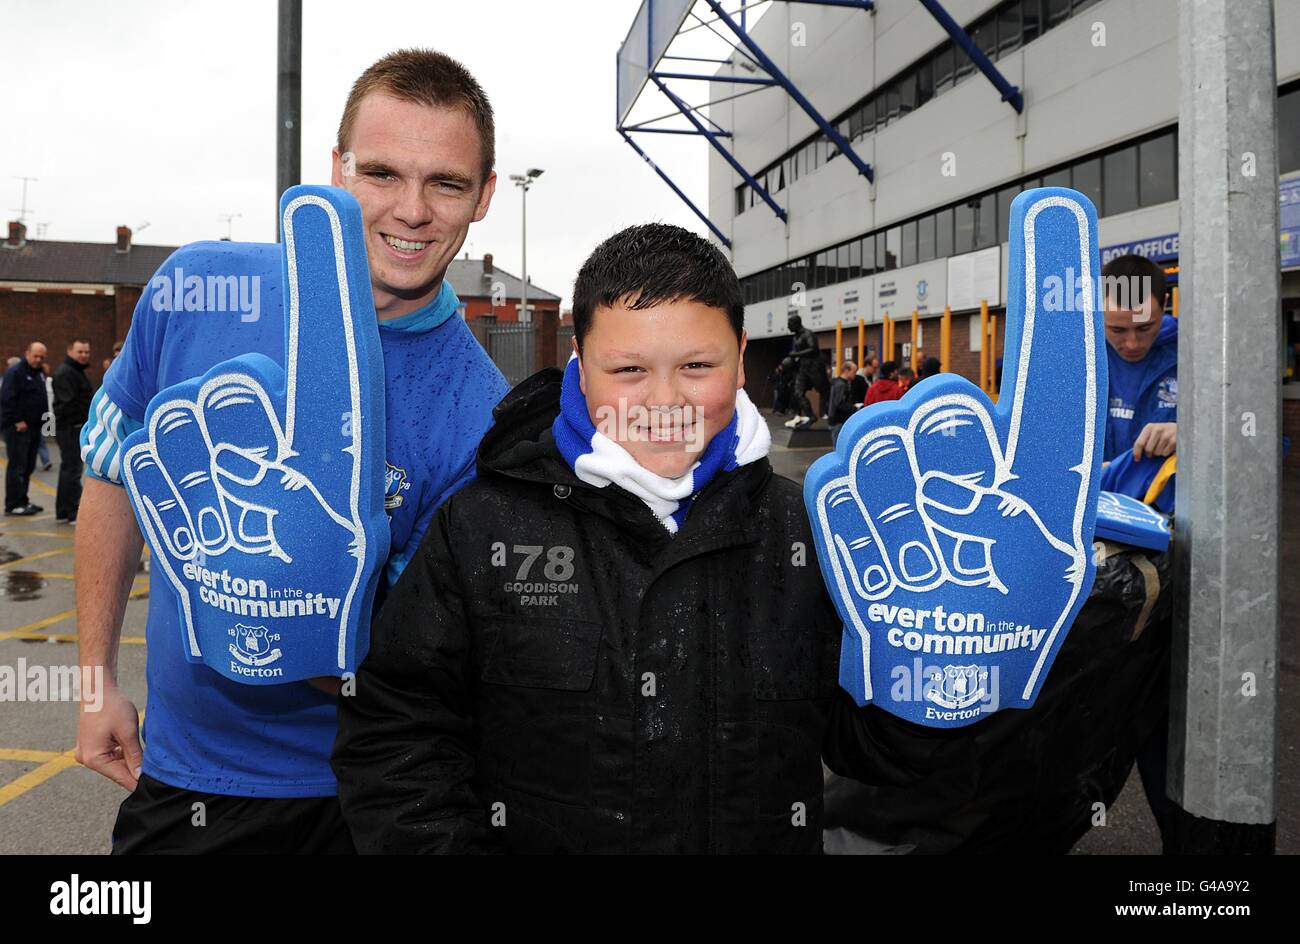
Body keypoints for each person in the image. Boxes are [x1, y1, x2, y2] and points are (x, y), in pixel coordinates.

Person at [75, 48, 509, 855]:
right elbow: (111, 482)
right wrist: (94, 680)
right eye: (381, 172)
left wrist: (303, 608)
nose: (411, 210)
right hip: (187, 782)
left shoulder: (485, 413)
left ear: (484, 197)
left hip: (371, 795)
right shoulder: (194, 288)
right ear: (336, 169)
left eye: (445, 183)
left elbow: (429, 665)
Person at [332, 223, 840, 853]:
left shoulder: (814, 532)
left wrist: (930, 662)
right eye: (628, 369)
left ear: (740, 355)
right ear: (580, 358)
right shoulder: (483, 525)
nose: (663, 401)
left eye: (697, 366)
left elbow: (879, 752)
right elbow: (395, 734)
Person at [1097, 254, 1177, 506]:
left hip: (1168, 525)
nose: (1131, 343)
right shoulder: (1077, 358)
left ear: (1165, 302)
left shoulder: (1199, 355)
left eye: (1144, 328)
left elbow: (1257, 437)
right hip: (1090, 519)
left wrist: (1193, 435)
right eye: (1117, 330)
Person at [2, 342, 48, 516]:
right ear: (27, 353)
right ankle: (13, 504)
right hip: (18, 429)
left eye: (42, 357)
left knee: (28, 466)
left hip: (34, 428)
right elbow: (6, 398)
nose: (38, 360)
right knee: (17, 466)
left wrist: (45, 425)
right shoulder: (15, 372)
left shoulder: (38, 373)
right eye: (35, 356)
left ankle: (23, 500)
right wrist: (17, 420)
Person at [52, 338, 93, 523]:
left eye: (86, 352)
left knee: (70, 469)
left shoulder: (76, 372)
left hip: (73, 427)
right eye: (80, 352)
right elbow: (69, 403)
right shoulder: (66, 373)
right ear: (70, 351)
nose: (84, 355)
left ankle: (65, 511)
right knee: (72, 470)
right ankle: (70, 511)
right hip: (70, 428)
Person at [784, 313, 827, 428]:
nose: (788, 327)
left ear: (796, 324)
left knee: (825, 392)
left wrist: (796, 354)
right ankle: (811, 416)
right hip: (803, 369)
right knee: (798, 392)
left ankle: (833, 415)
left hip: (814, 368)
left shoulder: (808, 334)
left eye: (790, 324)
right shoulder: (795, 337)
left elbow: (813, 348)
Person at [827, 360, 860, 444]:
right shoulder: (841, 384)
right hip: (839, 420)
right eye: (854, 372)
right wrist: (854, 408)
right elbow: (839, 403)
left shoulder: (837, 383)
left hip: (837, 419)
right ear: (846, 370)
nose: (855, 374)